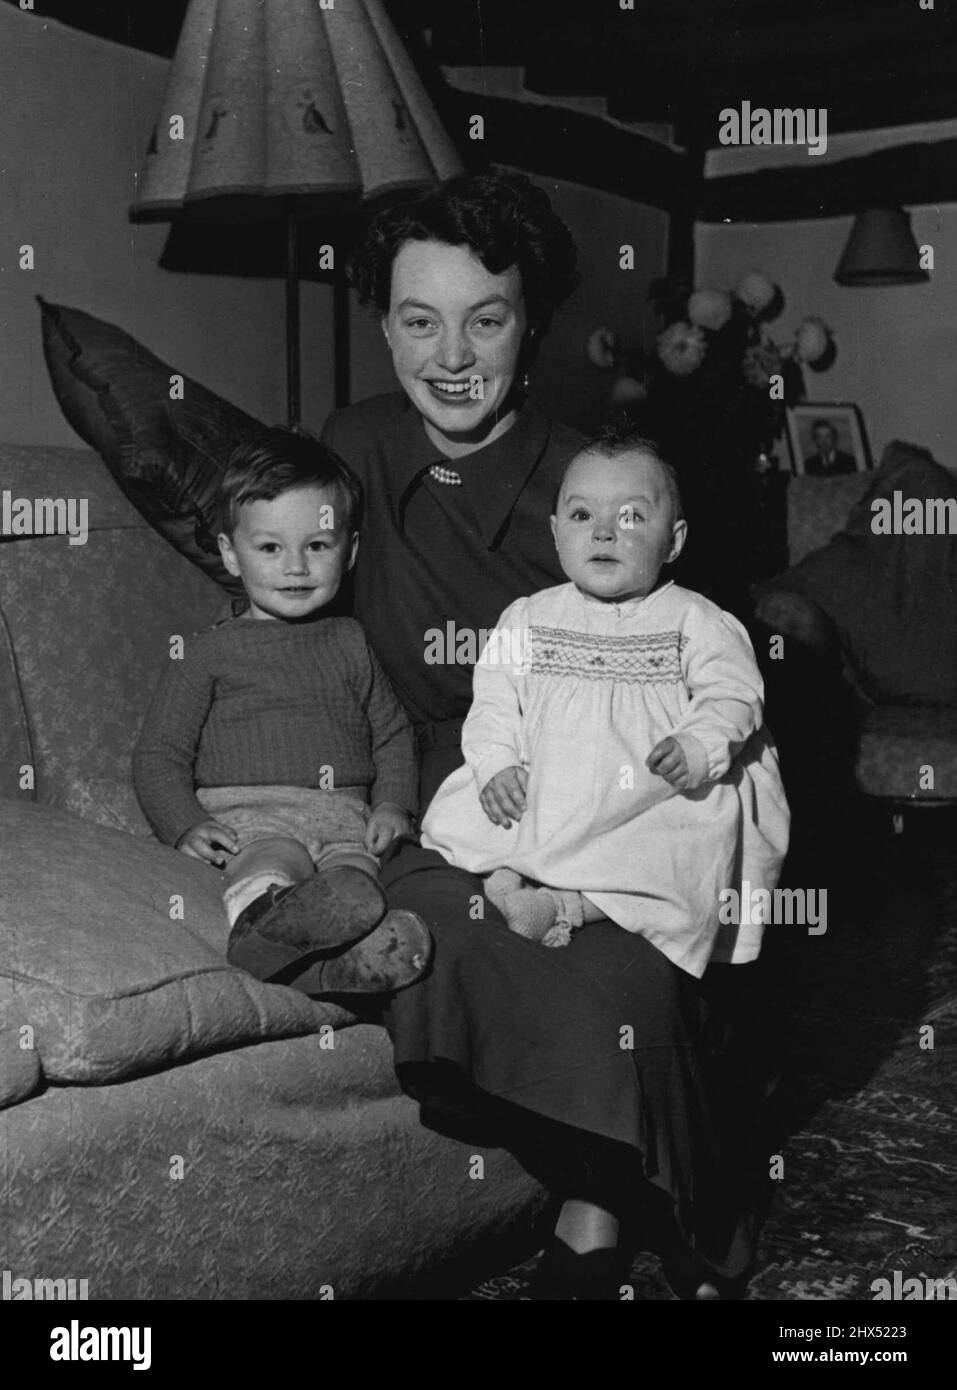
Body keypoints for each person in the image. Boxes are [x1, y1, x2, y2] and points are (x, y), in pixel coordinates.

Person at [322, 168, 769, 1299]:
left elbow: (691, 663)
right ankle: (611, 1191)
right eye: (419, 320)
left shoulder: (599, 483)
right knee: (442, 921)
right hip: (449, 801)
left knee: (630, 978)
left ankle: (612, 1202)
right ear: (383, 327)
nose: (452, 354)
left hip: (600, 807)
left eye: (488, 316)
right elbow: (249, 529)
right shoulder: (354, 447)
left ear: (533, 325)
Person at [421, 431, 790, 967]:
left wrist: (697, 745)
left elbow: (733, 694)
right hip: (552, 784)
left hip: (649, 793)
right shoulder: (529, 617)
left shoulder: (697, 620)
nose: (603, 532)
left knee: (683, 852)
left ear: (675, 541)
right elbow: (494, 704)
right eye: (580, 516)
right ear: (554, 533)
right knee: (472, 822)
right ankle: (511, 872)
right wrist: (496, 763)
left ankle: (568, 904)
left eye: (632, 518)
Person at [133, 431, 431, 997]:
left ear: (351, 550)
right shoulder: (210, 651)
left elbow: (392, 736)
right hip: (256, 817)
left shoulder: (350, 640)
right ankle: (257, 921)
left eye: (317, 546)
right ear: (229, 553)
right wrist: (184, 825)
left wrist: (393, 803)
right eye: (270, 548)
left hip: (345, 821)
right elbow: (159, 754)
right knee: (278, 859)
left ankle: (332, 967)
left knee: (358, 883)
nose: (295, 567)